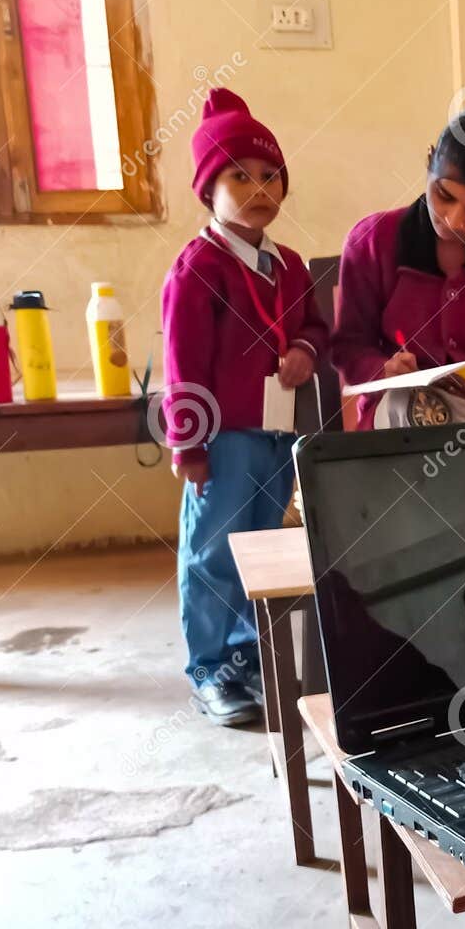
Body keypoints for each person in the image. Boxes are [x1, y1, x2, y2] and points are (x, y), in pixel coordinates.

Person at [162, 88, 327, 725]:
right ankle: (209, 670)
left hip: (276, 432)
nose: (258, 187)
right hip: (223, 437)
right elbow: (184, 367)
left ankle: (248, 660)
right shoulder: (197, 268)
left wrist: (307, 351)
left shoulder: (285, 265)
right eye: (239, 175)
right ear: (208, 189)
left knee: (260, 548)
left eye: (270, 175)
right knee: (214, 551)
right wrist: (188, 444)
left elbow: (314, 324)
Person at [331, 108, 465, 429]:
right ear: (429, 160)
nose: (454, 220)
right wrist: (384, 370)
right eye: (444, 195)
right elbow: (348, 349)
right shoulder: (371, 241)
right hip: (393, 426)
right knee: (405, 411)